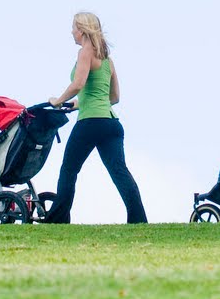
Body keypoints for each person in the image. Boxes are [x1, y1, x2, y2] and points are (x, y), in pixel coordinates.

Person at [42, 12, 147, 224]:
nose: (72, 32)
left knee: (69, 169)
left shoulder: (85, 52)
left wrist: (58, 100)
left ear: (82, 30)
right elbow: (114, 97)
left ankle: (57, 219)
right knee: (119, 172)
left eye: (73, 27)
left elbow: (78, 84)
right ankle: (138, 220)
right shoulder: (107, 59)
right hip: (111, 124)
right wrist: (75, 104)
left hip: (90, 123)